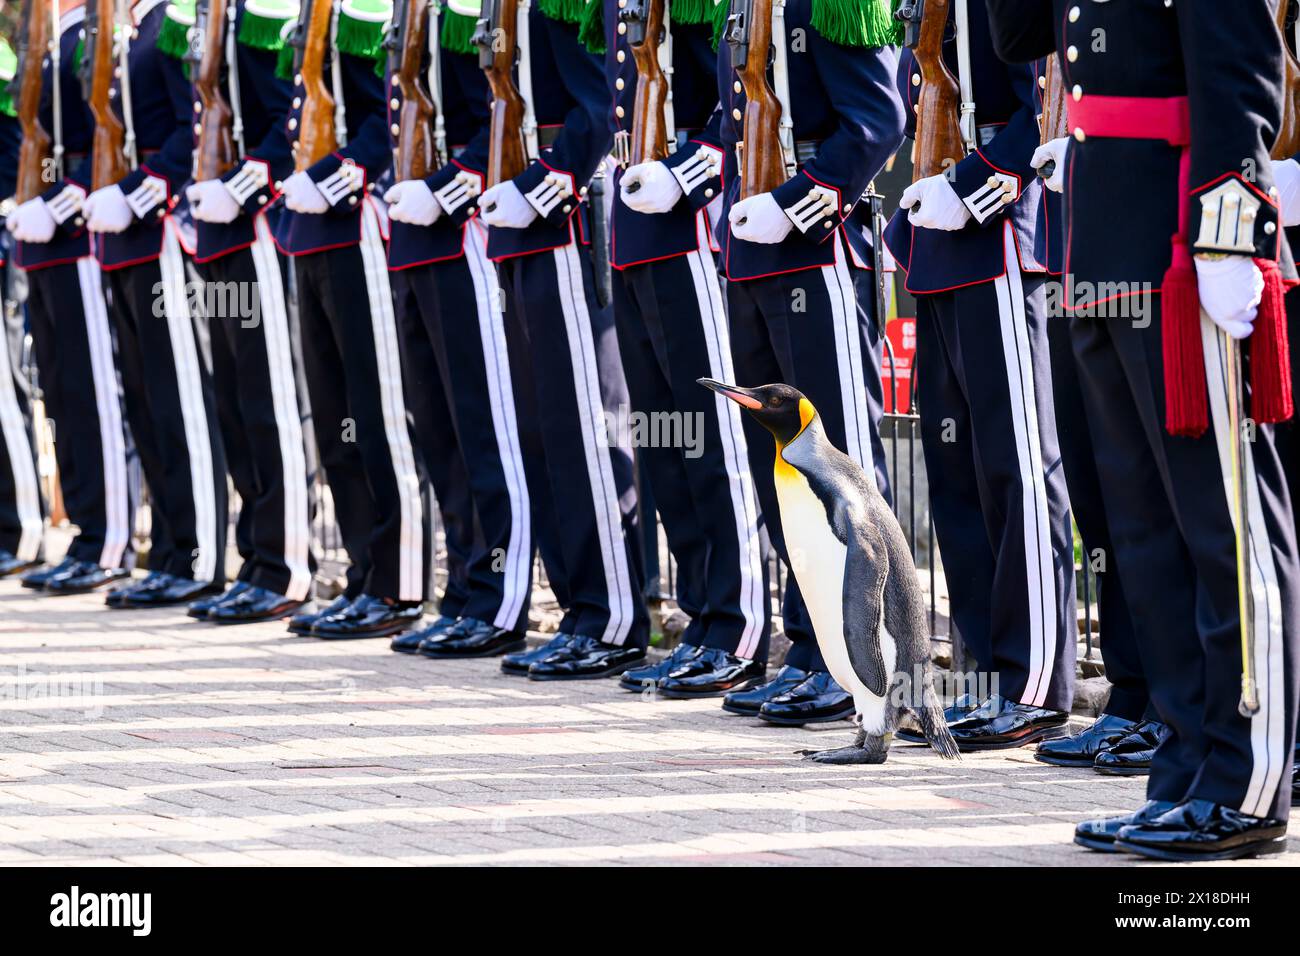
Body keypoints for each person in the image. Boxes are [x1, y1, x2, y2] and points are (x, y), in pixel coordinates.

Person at [989, 0, 1299, 860]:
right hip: (1101, 236)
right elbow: (1016, 39)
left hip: (1180, 242)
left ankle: (1248, 783)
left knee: (1222, 527)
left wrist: (1232, 235)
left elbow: (1240, 70)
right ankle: (1185, 770)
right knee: (1144, 535)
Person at [884, 0, 1075, 751]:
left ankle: (1033, 681)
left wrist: (975, 184)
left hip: (998, 235)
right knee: (957, 475)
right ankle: (983, 674)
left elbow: (1051, 101)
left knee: (1016, 469)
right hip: (940, 241)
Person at [712, 0, 901, 726]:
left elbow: (877, 120)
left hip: (813, 251)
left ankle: (865, 660)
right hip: (754, 249)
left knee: (836, 466)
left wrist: (797, 202)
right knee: (784, 477)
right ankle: (814, 648)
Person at [589, 0, 770, 698]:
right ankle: (702, 619)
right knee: (664, 445)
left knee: (710, 440)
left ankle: (739, 624)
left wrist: (688, 174)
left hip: (685, 222)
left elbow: (732, 104)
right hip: (635, 224)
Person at [474, 0, 650, 679]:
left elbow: (603, 105)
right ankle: (580, 608)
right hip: (523, 216)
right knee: (542, 432)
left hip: (564, 216)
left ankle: (613, 615)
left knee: (584, 429)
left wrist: (546, 182)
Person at [382, 2, 535, 657]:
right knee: (439, 431)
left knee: (480, 429)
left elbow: (499, 119)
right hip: (414, 242)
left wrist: (446, 190)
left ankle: (500, 598)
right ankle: (466, 593)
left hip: (459, 234)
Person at [274, 0, 429, 639]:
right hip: (306, 232)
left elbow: (383, 117)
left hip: (351, 223)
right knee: (335, 421)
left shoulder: (358, 9)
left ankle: (398, 584)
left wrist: (336, 177)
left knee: (374, 413)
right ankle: (366, 574)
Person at [84, 0, 229, 609]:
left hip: (162, 229)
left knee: (177, 401)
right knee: (145, 401)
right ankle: (169, 549)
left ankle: (199, 554)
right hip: (124, 238)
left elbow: (188, 127)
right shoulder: (133, 23)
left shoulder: (170, 20)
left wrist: (140, 194)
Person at [182, 0, 316, 625]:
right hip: (214, 234)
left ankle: (285, 564)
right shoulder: (216, 15)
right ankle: (256, 560)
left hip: (254, 227)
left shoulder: (260, 12)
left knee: (267, 405)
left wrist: (237, 186)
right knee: (234, 408)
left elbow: (287, 124)